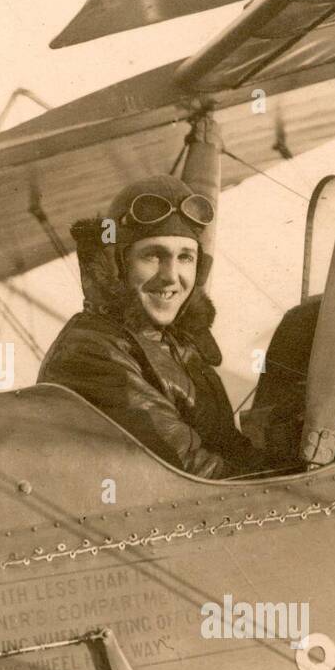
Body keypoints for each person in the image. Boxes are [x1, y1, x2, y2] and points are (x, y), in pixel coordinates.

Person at [38, 176, 267, 479]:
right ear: (119, 264)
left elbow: (230, 448)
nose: (172, 276)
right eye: (153, 255)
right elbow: (193, 472)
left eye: (185, 257)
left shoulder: (176, 344)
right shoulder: (90, 350)